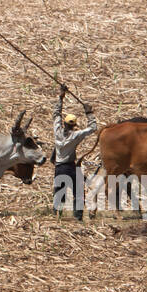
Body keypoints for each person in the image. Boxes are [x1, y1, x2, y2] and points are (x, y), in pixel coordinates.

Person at [52, 84, 97, 221]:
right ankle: (78, 218)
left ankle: (56, 217)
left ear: (64, 123)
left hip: (59, 168)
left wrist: (61, 96)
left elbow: (56, 114)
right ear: (74, 125)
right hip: (71, 167)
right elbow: (93, 128)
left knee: (59, 193)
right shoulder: (76, 135)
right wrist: (89, 113)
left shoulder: (57, 130)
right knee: (78, 192)